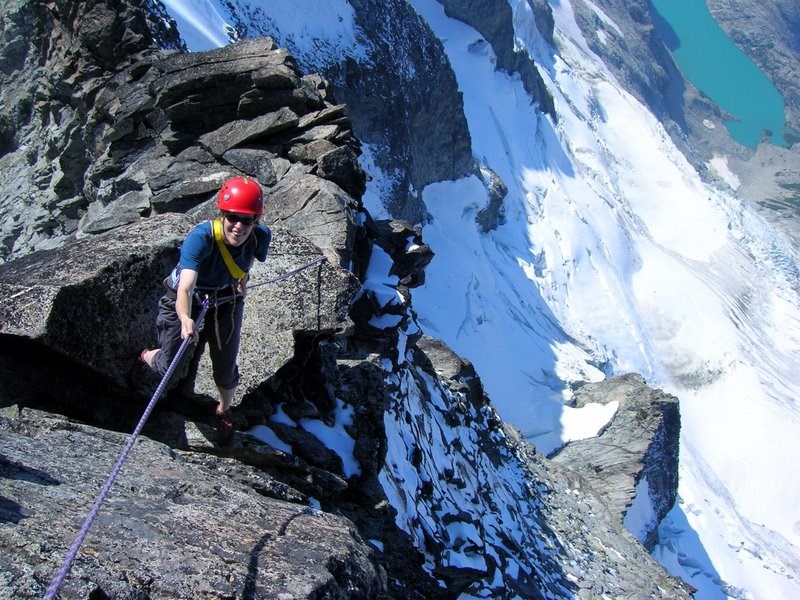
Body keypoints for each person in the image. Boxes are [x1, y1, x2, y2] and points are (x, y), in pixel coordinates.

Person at [138, 176, 272, 443]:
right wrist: (186, 319)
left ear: (256, 221)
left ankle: (223, 409)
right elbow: (185, 287)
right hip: (191, 297)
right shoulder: (201, 238)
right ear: (222, 213)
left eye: (247, 220)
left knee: (225, 366)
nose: (239, 226)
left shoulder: (260, 236)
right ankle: (146, 355)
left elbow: (247, 261)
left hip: (225, 299)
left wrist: (242, 280)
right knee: (169, 366)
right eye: (233, 217)